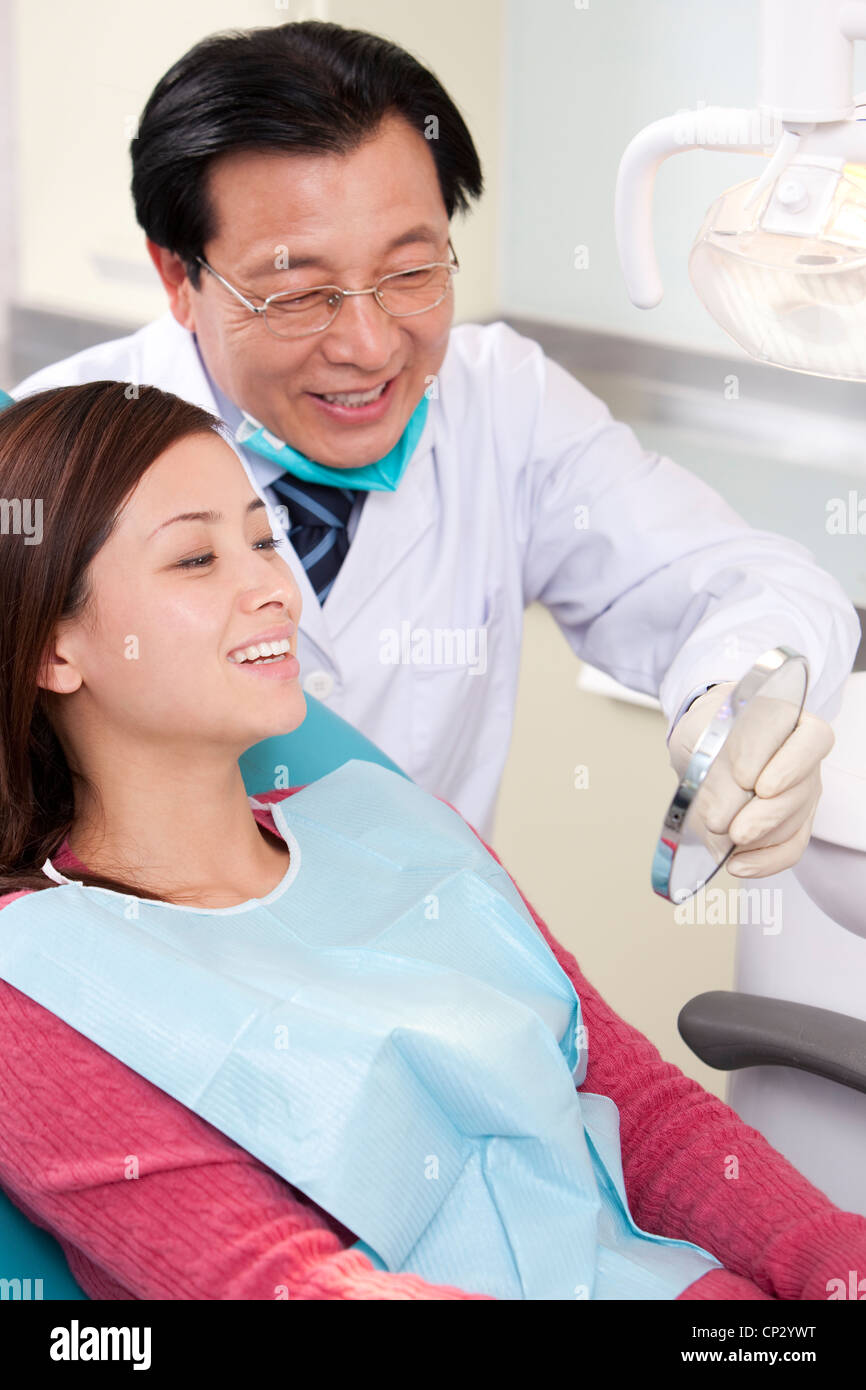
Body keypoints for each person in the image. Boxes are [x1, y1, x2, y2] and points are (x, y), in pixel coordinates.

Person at [0, 381, 864, 1302]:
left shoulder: (394, 822)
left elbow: (649, 1122)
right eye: (196, 559)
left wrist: (840, 1274)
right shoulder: (41, 981)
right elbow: (288, 1289)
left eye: (264, 541)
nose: (273, 589)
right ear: (54, 649)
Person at [9, 20, 858, 857]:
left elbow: (740, 582)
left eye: (411, 272)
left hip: (436, 937)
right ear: (178, 275)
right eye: (299, 294)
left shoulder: (502, 401)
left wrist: (736, 705)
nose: (369, 347)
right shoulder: (46, 458)